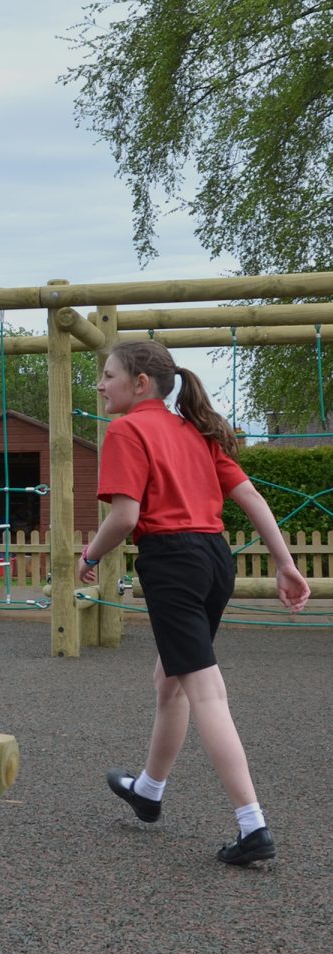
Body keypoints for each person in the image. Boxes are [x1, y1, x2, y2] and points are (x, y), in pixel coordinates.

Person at [80, 341, 309, 866]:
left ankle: (253, 826)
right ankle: (148, 791)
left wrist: (89, 554)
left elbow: (126, 516)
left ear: (140, 384)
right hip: (214, 560)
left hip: (173, 561)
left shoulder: (126, 430)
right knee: (171, 680)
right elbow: (250, 498)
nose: (100, 384)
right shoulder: (192, 430)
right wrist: (285, 563)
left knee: (206, 691)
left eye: (108, 374)